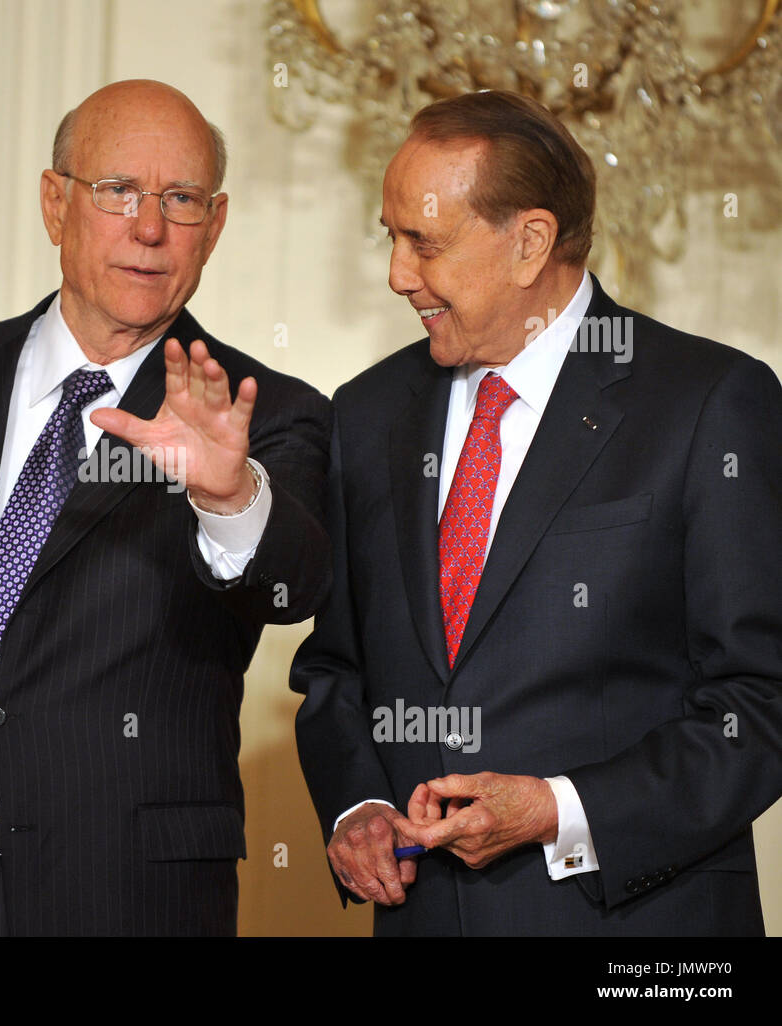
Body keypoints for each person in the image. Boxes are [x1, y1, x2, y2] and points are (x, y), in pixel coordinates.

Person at [0, 79, 331, 936]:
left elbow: (294, 587)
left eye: (181, 200)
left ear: (217, 223)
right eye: (118, 191)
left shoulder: (262, 410)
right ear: (55, 203)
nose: (150, 228)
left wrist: (225, 492)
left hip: (124, 894)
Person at [291, 89, 782, 936]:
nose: (397, 274)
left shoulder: (709, 403)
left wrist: (560, 808)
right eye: (391, 237)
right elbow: (336, 672)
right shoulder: (367, 414)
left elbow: (762, 702)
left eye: (426, 242)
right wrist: (358, 805)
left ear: (529, 242)